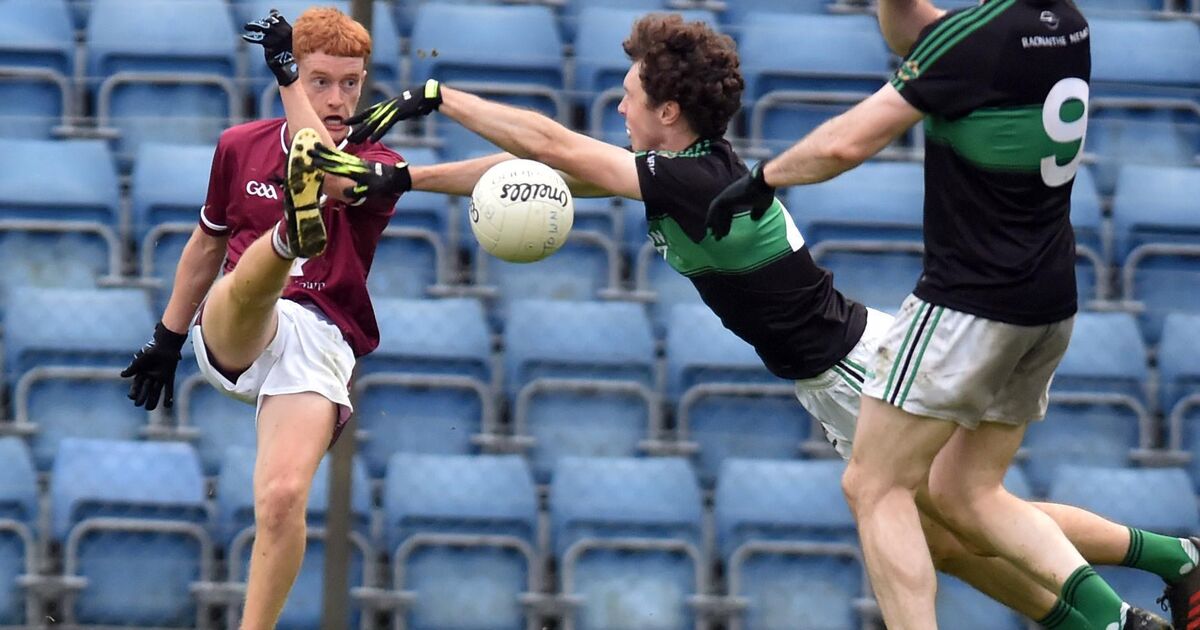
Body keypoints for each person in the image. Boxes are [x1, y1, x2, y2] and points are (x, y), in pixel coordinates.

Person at [313, 12, 1187, 628]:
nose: (618, 106)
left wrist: (441, 95)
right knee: (960, 528)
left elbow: (550, 146)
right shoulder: (686, 168)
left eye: (628, 94)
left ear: (668, 111)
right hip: (855, 357)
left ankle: (1139, 591)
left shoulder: (690, 180)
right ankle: (1148, 583)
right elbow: (558, 173)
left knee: (959, 510)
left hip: (851, 370)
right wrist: (404, 179)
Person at [706, 0, 1197, 628]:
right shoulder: (1065, 24)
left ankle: (1115, 617)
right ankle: (1138, 600)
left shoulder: (972, 39)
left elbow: (848, 142)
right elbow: (918, 35)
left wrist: (765, 177)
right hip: (1047, 301)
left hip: (969, 305)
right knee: (965, 496)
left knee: (874, 484)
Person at [119, 8, 412, 629]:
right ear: (297, 75)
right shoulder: (239, 146)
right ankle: (286, 239)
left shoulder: (377, 159)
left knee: (281, 498)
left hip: (322, 335)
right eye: (319, 81)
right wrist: (167, 338)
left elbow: (329, 175)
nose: (337, 99)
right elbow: (206, 244)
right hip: (240, 321)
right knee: (250, 289)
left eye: (351, 83)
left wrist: (287, 81)